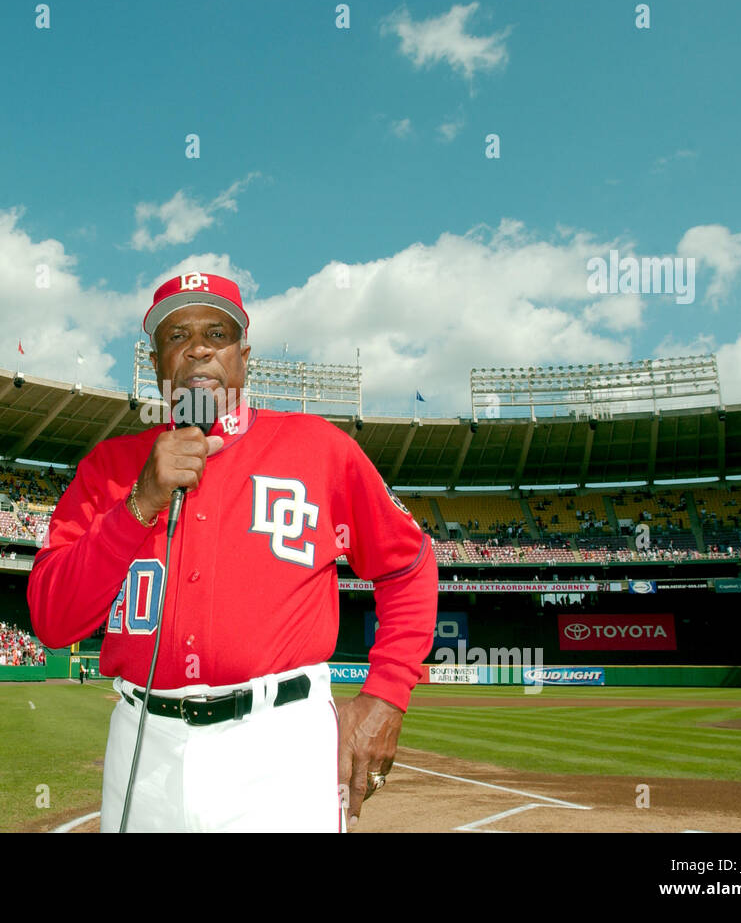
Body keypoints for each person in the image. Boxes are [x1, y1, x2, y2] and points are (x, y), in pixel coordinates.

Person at [28, 272, 438, 832]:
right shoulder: (108, 469)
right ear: (156, 363)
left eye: (216, 334)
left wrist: (386, 694)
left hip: (281, 742)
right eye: (176, 336)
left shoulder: (317, 447)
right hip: (144, 747)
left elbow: (408, 564)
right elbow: (53, 620)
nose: (197, 348)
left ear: (243, 358)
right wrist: (140, 503)